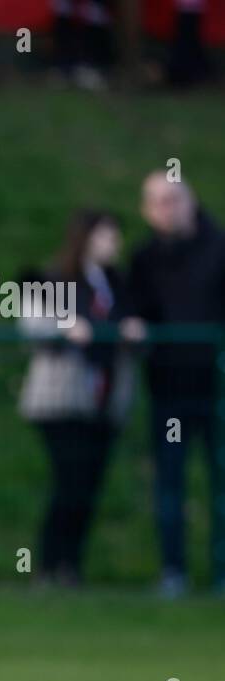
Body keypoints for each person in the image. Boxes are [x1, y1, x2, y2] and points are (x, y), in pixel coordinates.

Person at [18, 211, 145, 586]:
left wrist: (134, 330)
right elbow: (33, 324)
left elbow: (137, 322)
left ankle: (71, 567)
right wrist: (65, 326)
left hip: (103, 402)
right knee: (68, 482)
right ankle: (49, 566)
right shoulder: (56, 279)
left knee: (88, 486)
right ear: (86, 238)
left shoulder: (119, 284)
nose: (114, 242)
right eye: (107, 235)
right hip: (60, 400)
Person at [129, 174, 225, 596]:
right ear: (147, 210)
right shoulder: (146, 258)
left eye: (174, 199)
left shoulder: (219, 249)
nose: (168, 209)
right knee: (170, 484)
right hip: (168, 390)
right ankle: (173, 572)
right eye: (158, 203)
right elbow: (133, 309)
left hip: (219, 389)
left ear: (191, 201)